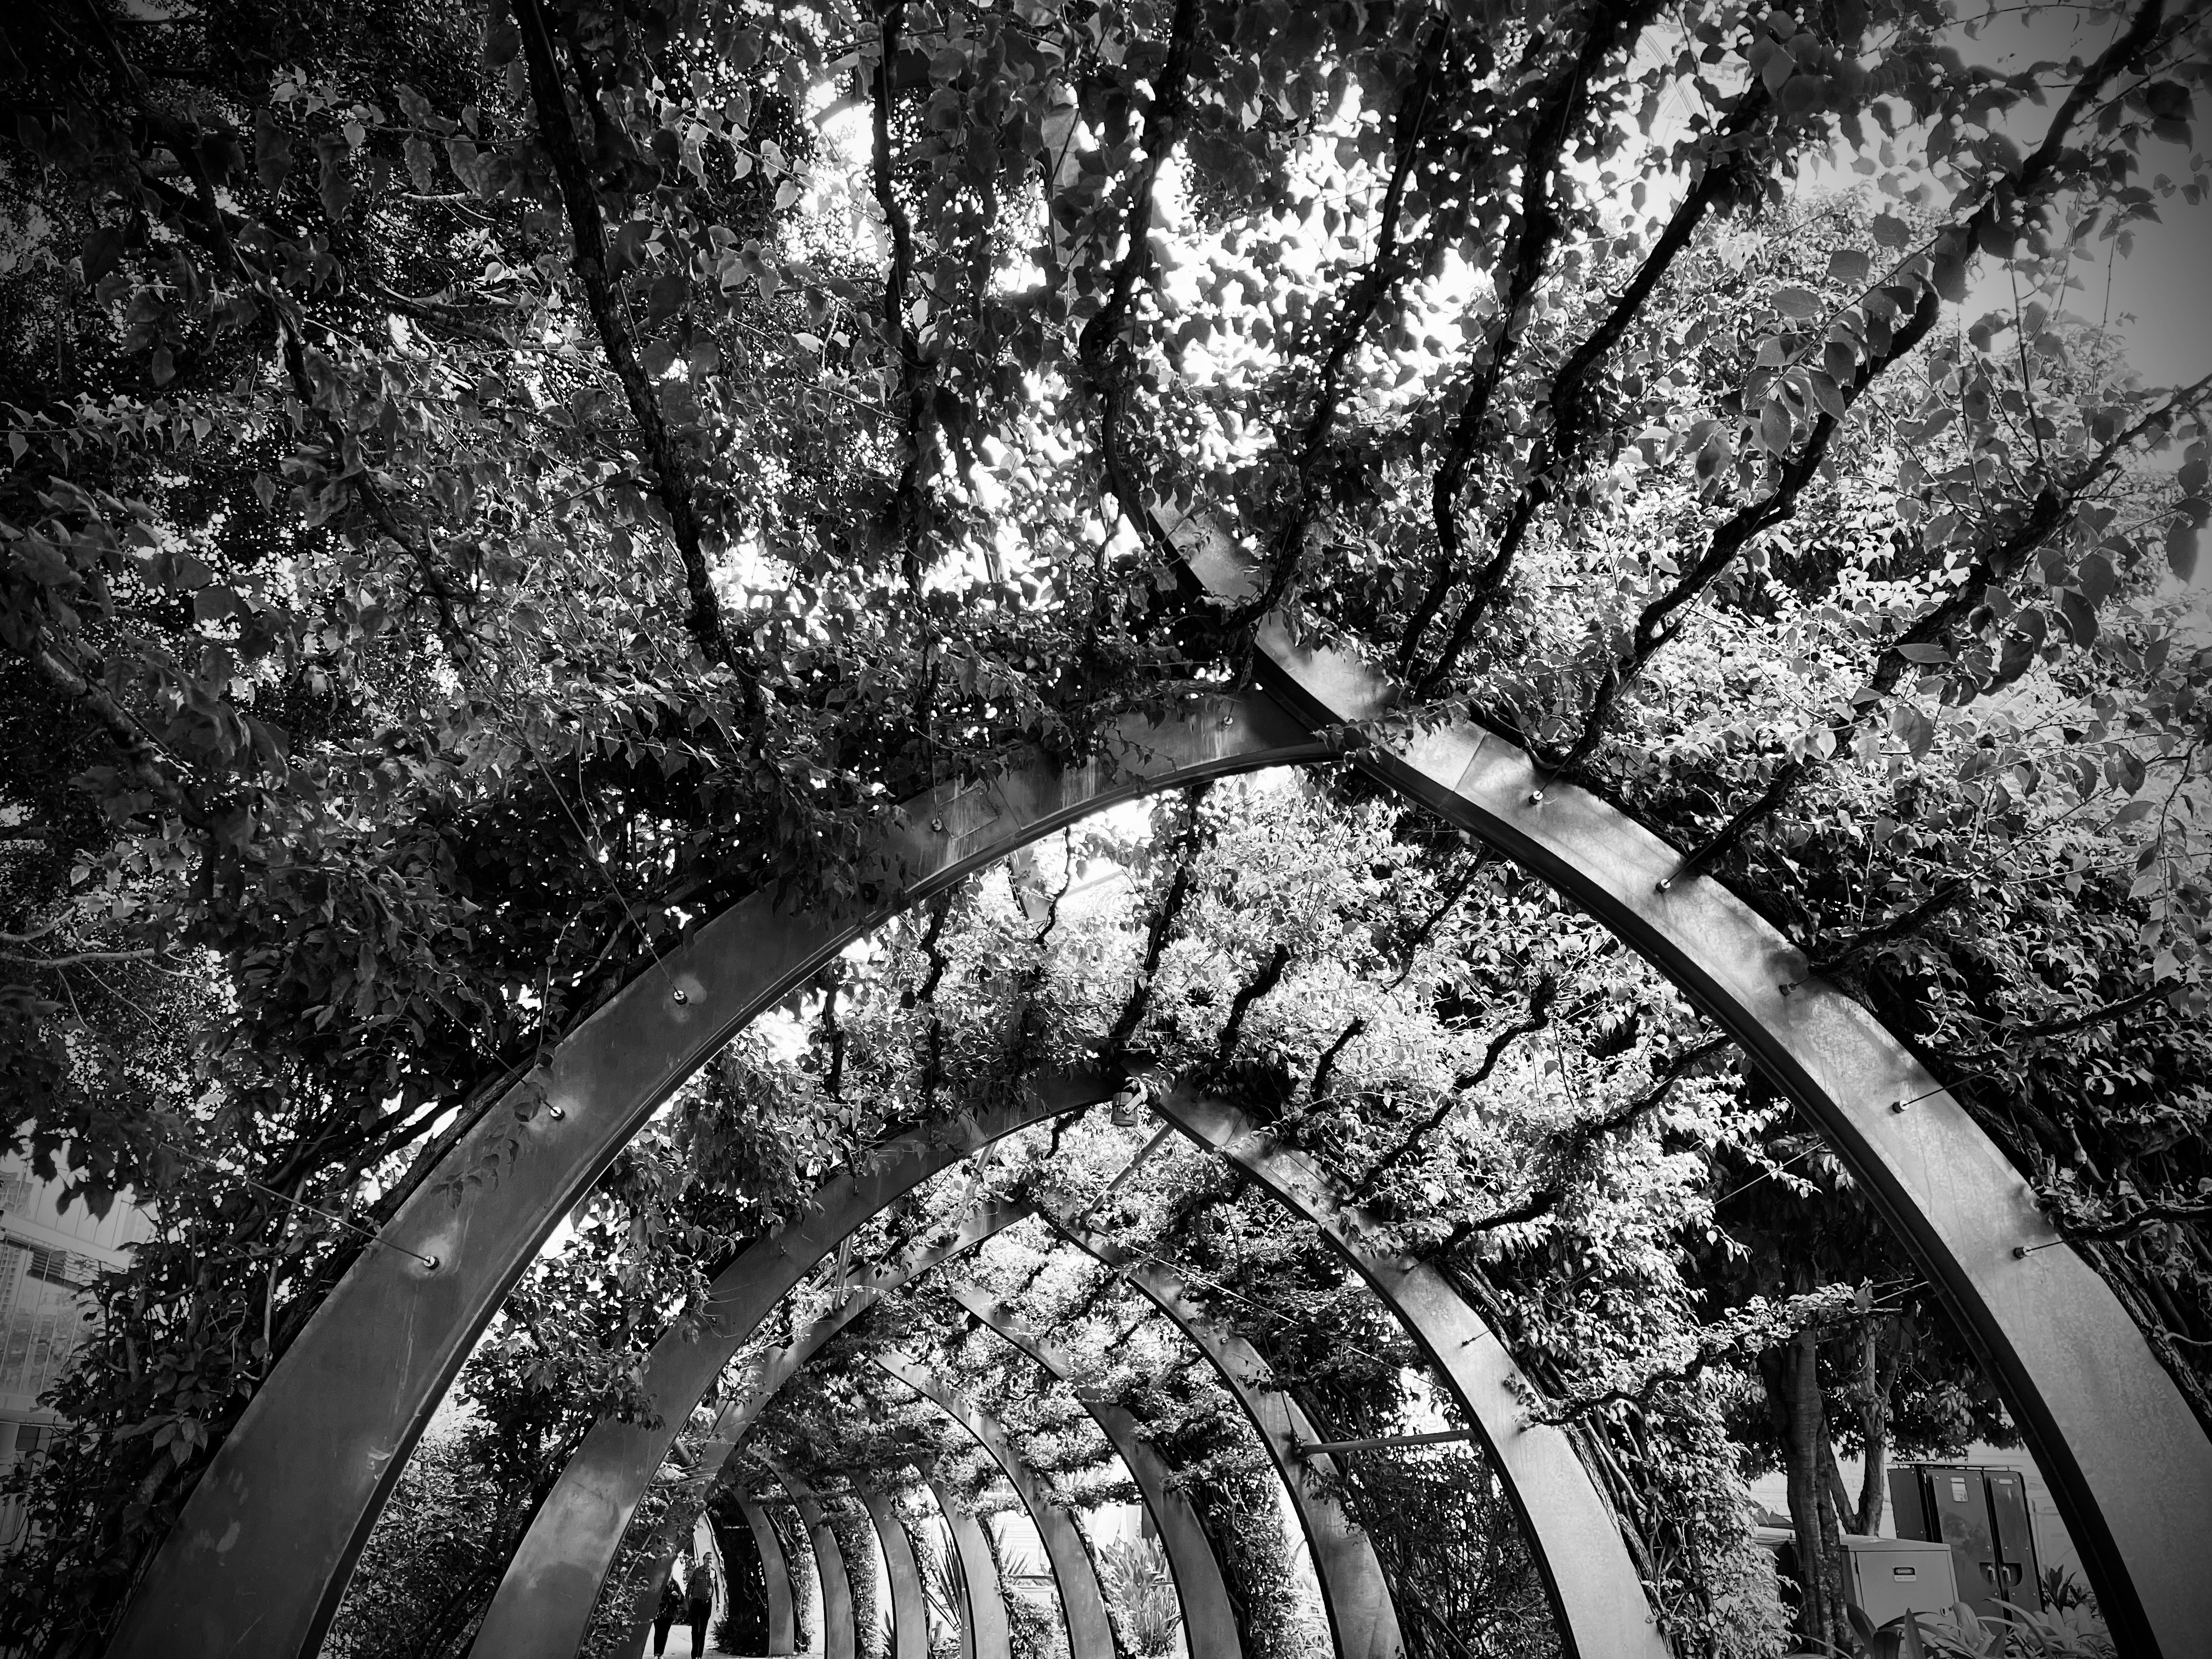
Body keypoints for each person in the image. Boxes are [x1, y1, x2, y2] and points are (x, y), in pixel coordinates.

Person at [685, 1555, 715, 1656]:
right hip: (697, 1602)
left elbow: (715, 1586)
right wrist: (687, 1601)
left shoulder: (713, 1572)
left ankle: (700, 1654)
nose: (710, 1561)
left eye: (711, 1559)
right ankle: (694, 1654)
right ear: (704, 1560)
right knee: (695, 1629)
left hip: (707, 1602)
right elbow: (690, 1586)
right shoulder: (697, 1571)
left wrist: (719, 1602)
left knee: (703, 1629)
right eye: (708, 1559)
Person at [652, 1562, 684, 1657]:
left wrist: (677, 1596)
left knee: (665, 1633)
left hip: (670, 1613)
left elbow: (681, 1599)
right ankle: (657, 1652)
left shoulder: (675, 1584)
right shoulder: (658, 1582)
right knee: (658, 1632)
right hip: (659, 1612)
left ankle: (660, 1653)